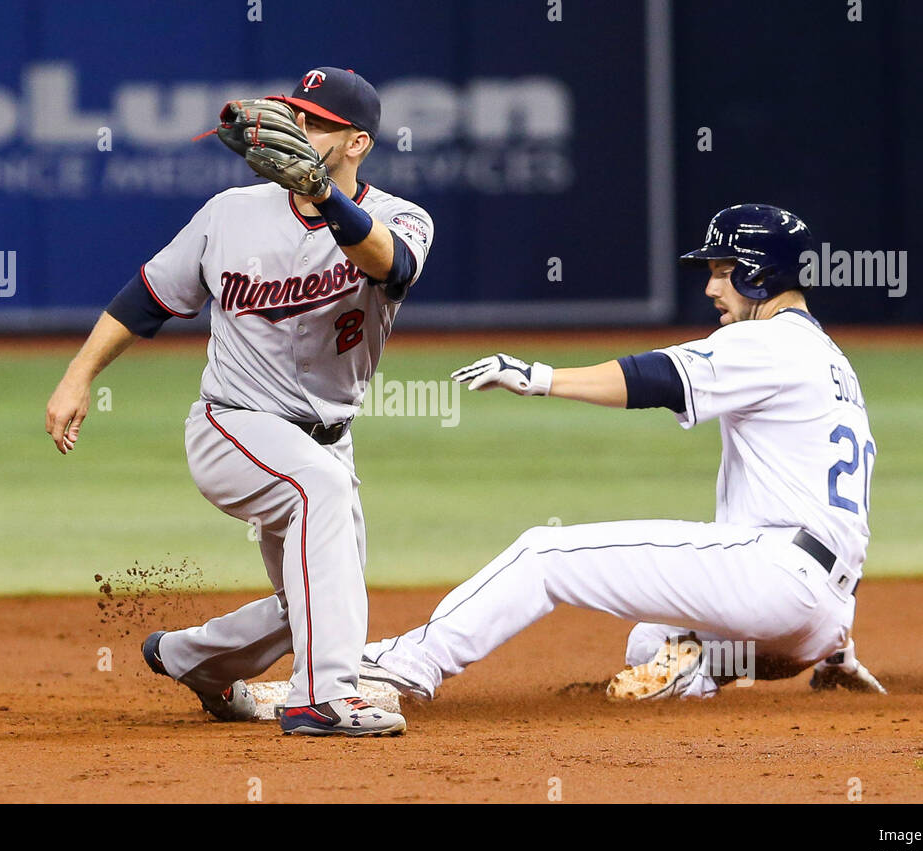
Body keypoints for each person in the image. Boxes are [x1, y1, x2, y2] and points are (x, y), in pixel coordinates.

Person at [360, 204, 886, 703]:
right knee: (648, 645)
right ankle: (703, 674)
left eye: (723, 272)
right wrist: (832, 652)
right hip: (824, 620)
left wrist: (540, 378)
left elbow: (656, 377)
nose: (710, 287)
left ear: (759, 275)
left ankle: (407, 665)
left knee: (543, 555)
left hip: (774, 581)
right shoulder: (831, 360)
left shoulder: (769, 342)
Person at [46, 67, 432, 736]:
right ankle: (323, 697)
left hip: (327, 436)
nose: (295, 129)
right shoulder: (230, 213)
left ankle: (192, 658)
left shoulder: (402, 217)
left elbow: (389, 265)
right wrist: (78, 375)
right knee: (320, 491)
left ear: (358, 143)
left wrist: (322, 196)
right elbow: (147, 298)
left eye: (313, 121)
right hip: (233, 425)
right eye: (293, 115)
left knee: (318, 597)